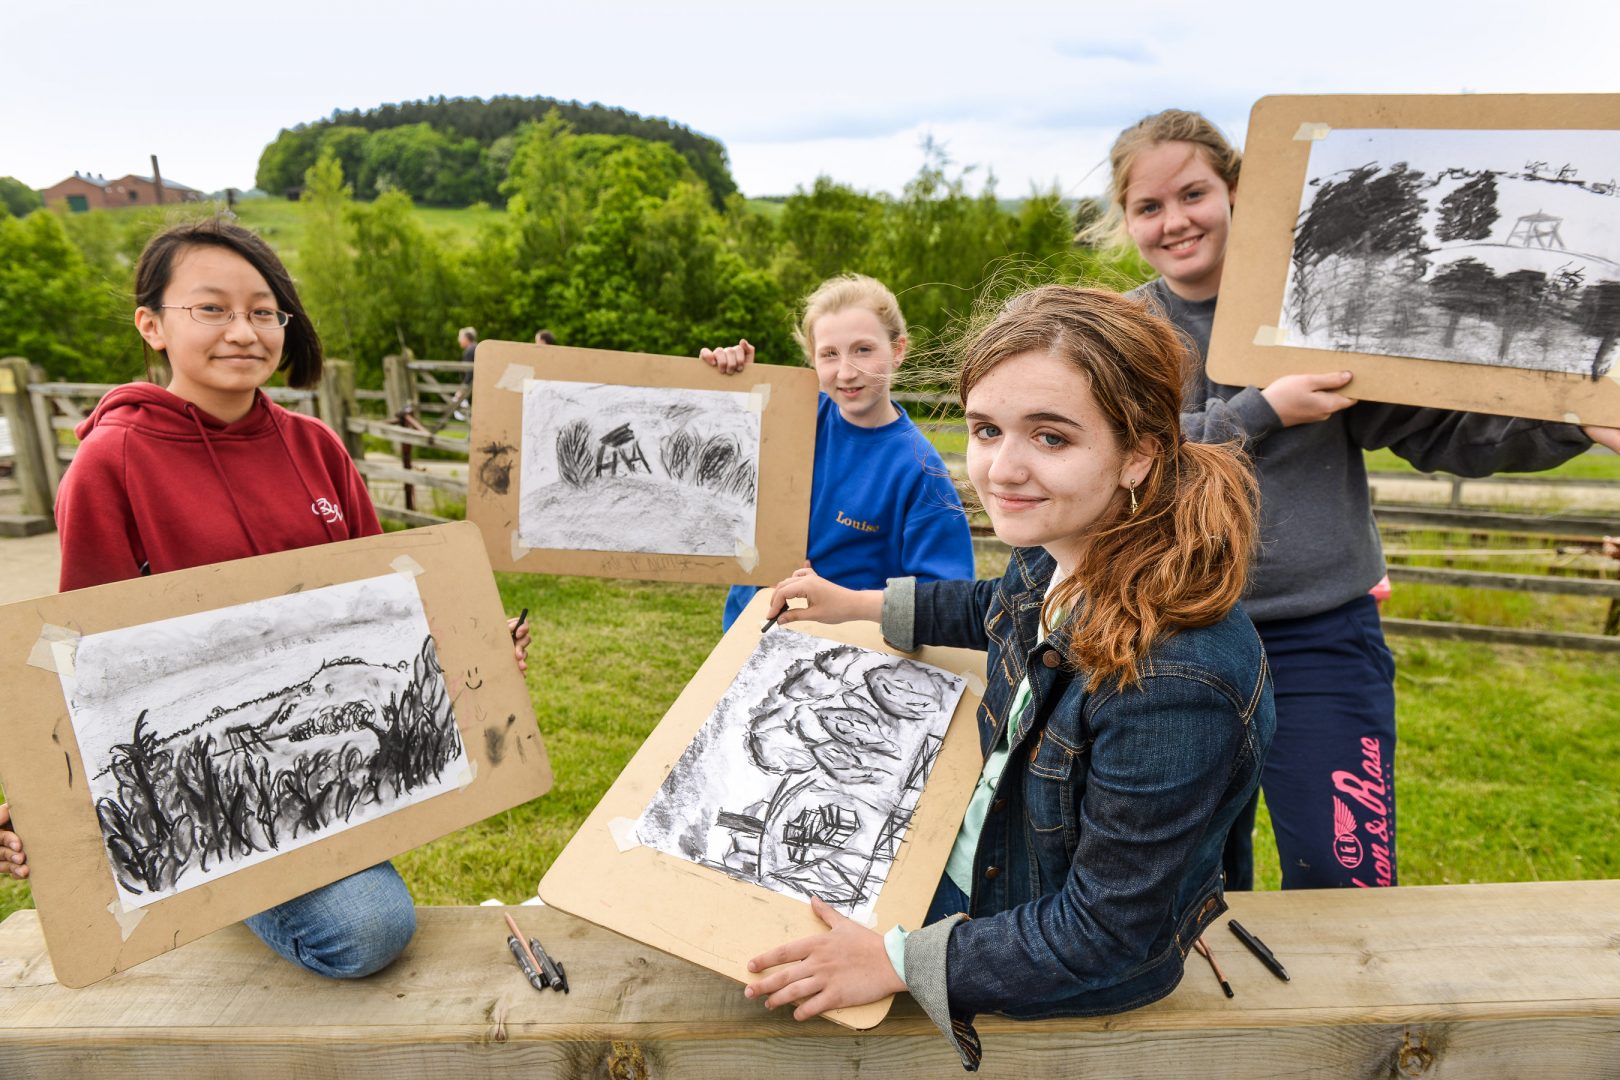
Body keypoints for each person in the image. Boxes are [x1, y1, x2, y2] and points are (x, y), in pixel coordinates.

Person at [740, 285, 1272, 1070]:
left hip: (1034, 954)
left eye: (1051, 438)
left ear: (1139, 453)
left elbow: (1102, 933)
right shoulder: (1062, 554)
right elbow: (996, 603)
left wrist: (894, 962)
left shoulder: (1176, 684)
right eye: (986, 429)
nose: (1002, 469)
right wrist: (854, 601)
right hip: (983, 864)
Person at [1098, 108, 1620, 891]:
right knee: (1184, 891)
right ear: (1127, 219)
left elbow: (1439, 430)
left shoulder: (1323, 308)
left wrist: (1572, 415)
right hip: (1177, 642)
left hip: (1321, 640)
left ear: (1237, 191)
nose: (1175, 221)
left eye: (1194, 194)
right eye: (1150, 206)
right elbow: (1128, 461)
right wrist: (1265, 409)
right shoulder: (1122, 333)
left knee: (1347, 879)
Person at [0, 218, 531, 979]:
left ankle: (275, 862)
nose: (242, 331)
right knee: (368, 929)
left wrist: (476, 649)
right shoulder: (108, 464)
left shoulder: (317, 447)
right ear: (151, 324)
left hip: (323, 744)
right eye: (210, 309)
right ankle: (220, 877)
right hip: (210, 772)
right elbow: (85, 657)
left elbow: (389, 608)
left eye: (264, 310)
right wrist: (38, 794)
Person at [700, 274, 975, 630]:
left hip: (840, 658)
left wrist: (850, 603)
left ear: (898, 350)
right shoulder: (787, 416)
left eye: (863, 349)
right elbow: (704, 448)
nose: (846, 371)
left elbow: (945, 599)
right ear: (812, 361)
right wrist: (727, 381)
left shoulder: (921, 472)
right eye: (829, 354)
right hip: (747, 629)